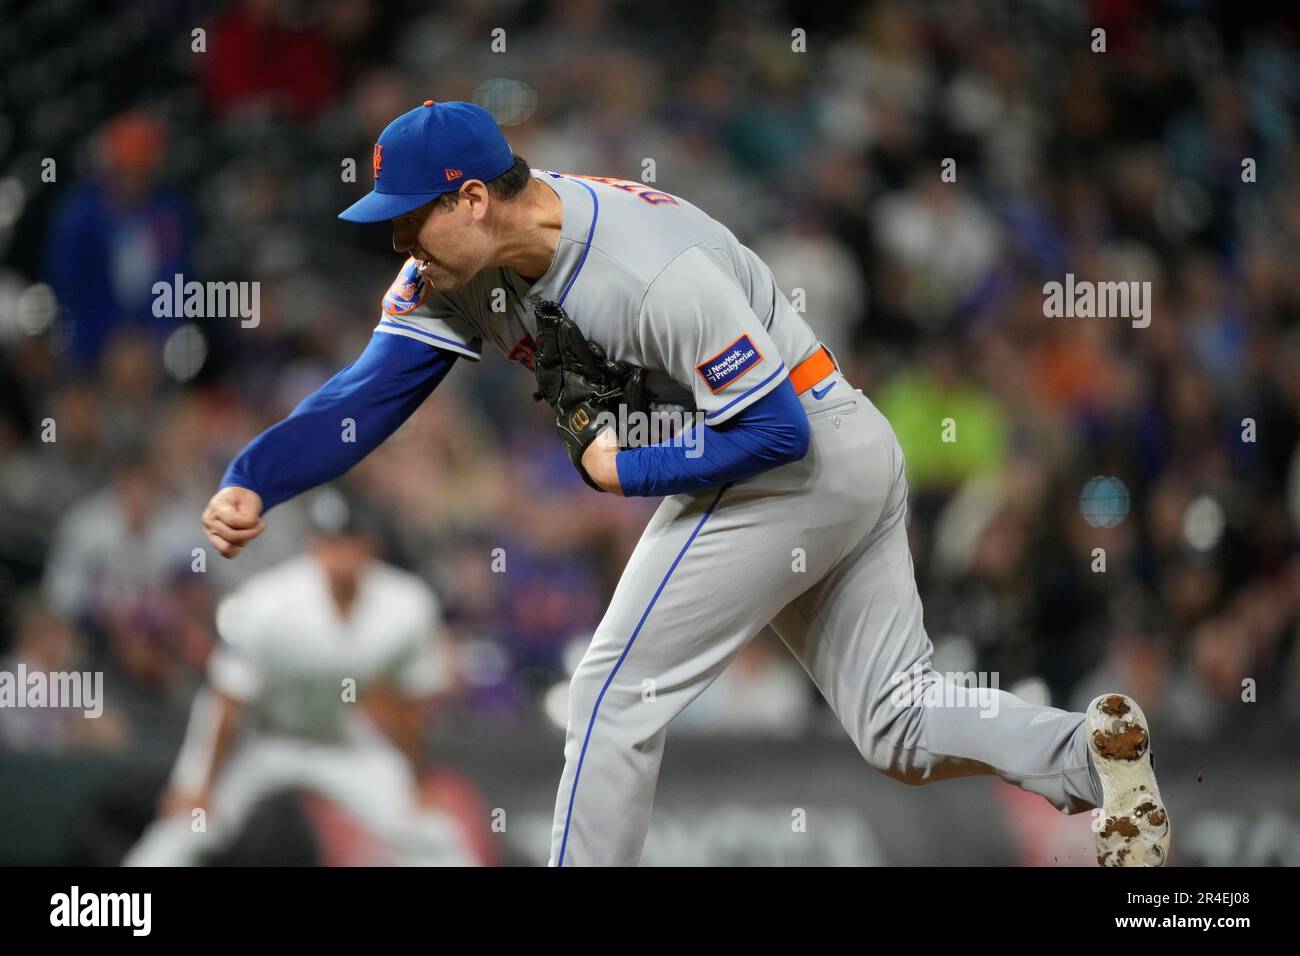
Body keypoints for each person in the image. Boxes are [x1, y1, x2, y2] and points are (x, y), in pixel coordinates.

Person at [201, 101, 1170, 867]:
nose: (399, 243)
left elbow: (775, 432)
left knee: (610, 695)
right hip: (824, 448)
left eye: (410, 218)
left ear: (471, 198)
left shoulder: (647, 268)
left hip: (802, 454)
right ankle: (1087, 756)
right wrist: (258, 476)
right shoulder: (456, 273)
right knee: (899, 723)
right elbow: (368, 392)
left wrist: (630, 467)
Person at [129, 486, 475, 866]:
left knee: (430, 830)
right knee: (189, 825)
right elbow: (227, 702)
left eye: (349, 539)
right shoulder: (268, 602)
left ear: (370, 546)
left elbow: (411, 707)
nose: (338, 551)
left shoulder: (406, 604)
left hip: (338, 735)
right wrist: (200, 785)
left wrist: (419, 782)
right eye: (329, 540)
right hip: (258, 735)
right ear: (315, 544)